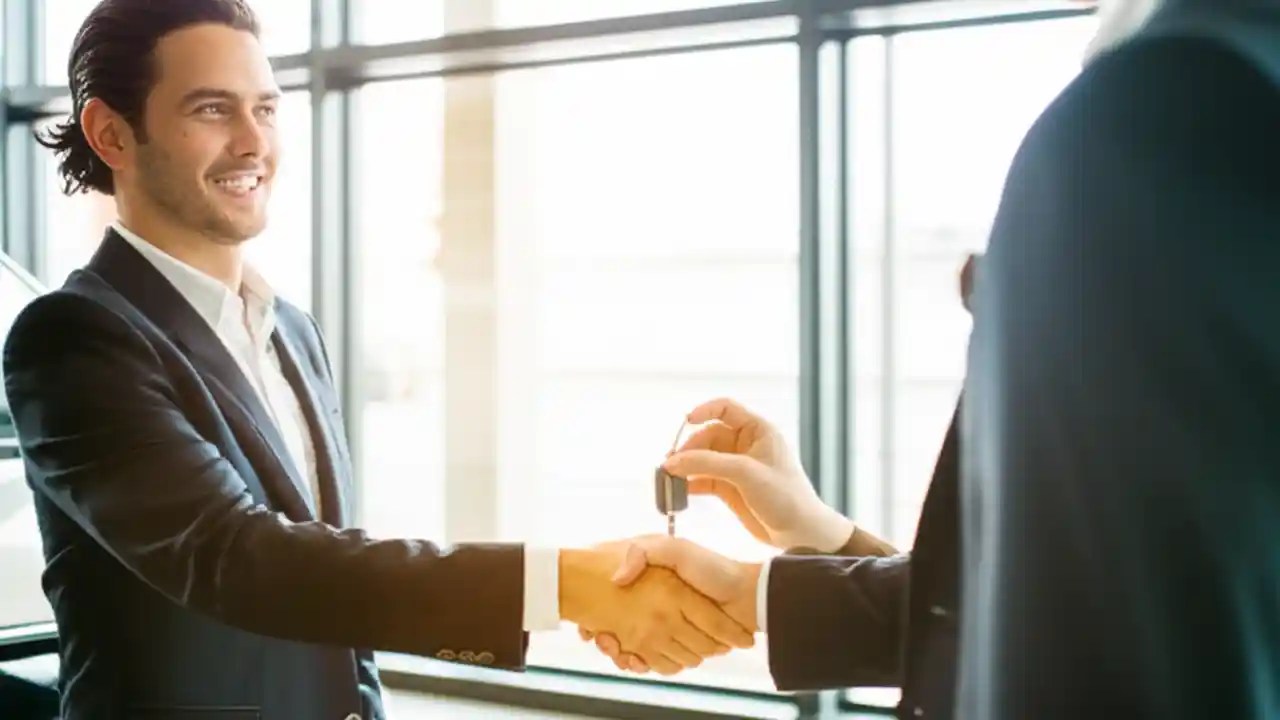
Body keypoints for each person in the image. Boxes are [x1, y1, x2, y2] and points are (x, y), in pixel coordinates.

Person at [3, 2, 752, 718]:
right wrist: (569, 584)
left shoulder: (292, 331)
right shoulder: (72, 338)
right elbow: (237, 558)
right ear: (111, 133)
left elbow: (332, 577)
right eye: (211, 109)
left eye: (265, 109)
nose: (253, 142)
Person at [589, 0, 1280, 717]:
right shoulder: (1208, 85)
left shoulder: (1161, 114)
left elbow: (1122, 632)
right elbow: (1059, 602)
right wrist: (810, 540)